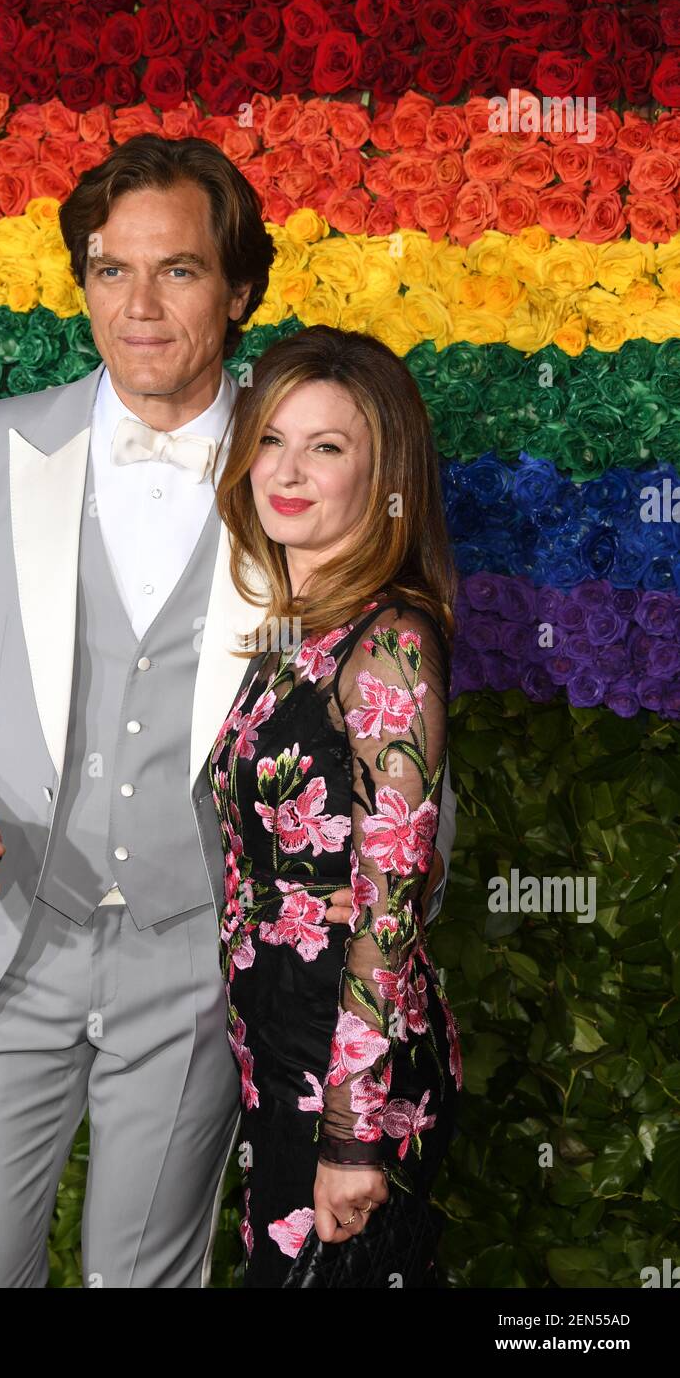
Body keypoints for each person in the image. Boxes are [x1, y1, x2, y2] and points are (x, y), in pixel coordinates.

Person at [0, 134, 457, 1289]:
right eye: (107, 269)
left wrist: (383, 959)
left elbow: (380, 706)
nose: (137, 305)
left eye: (176, 269)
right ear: (81, 280)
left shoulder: (292, 457)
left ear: (236, 289)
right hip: (4, 943)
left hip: (195, 968)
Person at [207, 324, 463, 1287]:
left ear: (383, 472)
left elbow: (389, 911)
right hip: (275, 1042)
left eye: (327, 447)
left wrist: (354, 1136)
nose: (289, 470)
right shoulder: (294, 627)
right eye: (272, 438)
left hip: (344, 1070)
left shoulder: (387, 638)